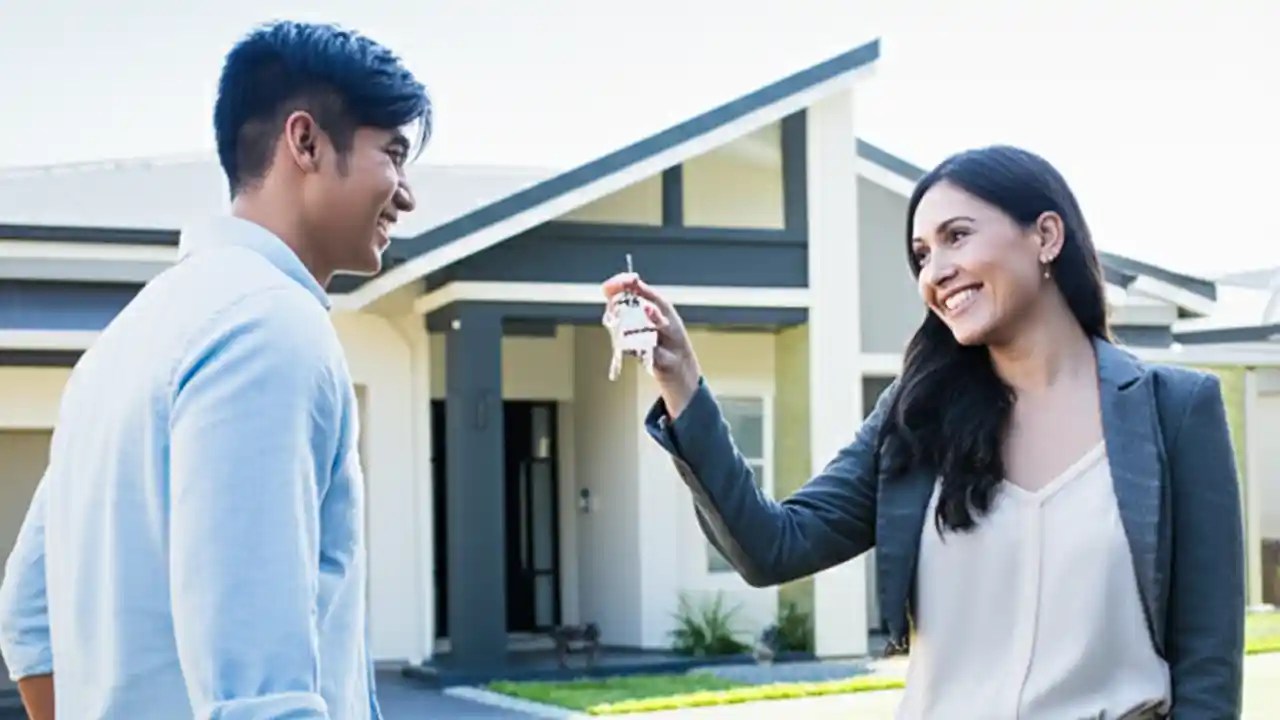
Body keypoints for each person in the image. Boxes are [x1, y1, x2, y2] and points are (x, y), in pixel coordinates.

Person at [603, 145, 1245, 719]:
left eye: (957, 236)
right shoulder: (916, 417)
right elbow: (773, 546)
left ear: (1045, 235)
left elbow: (1209, 665)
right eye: (921, 254)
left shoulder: (1174, 411)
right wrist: (681, 381)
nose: (935, 271)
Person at [0, 20, 430, 719]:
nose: (406, 195)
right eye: (394, 154)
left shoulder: (126, 340)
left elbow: (29, 618)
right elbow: (262, 699)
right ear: (305, 142)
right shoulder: (270, 327)